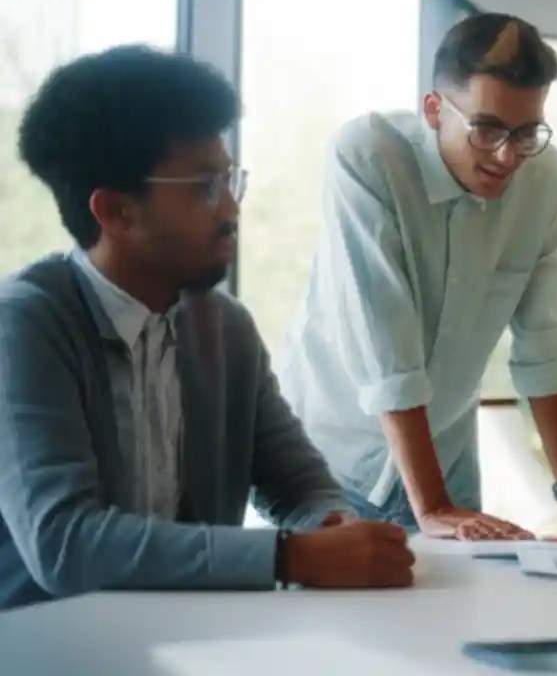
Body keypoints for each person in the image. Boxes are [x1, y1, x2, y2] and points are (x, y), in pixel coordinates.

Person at [0, 46, 415, 611]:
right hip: (46, 646)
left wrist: (331, 525)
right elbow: (64, 542)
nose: (231, 210)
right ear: (115, 211)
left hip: (186, 640)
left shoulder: (225, 328)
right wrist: (292, 557)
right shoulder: (26, 324)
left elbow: (297, 485)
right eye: (203, 188)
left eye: (229, 181)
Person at [277, 13, 557, 541]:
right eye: (487, 129)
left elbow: (544, 344)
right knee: (337, 615)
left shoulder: (547, 185)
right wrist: (429, 507)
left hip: (444, 459)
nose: (507, 155)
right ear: (435, 110)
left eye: (525, 133)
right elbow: (387, 344)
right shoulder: (368, 157)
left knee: (454, 618)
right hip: (325, 459)